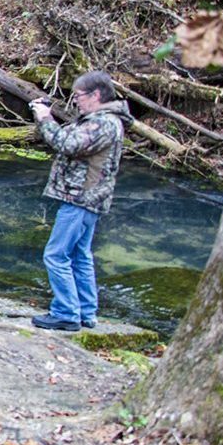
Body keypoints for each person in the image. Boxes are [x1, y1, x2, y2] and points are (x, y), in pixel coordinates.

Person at [28, 71, 134, 332]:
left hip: (80, 199)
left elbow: (67, 144)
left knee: (55, 255)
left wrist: (44, 118)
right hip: (89, 199)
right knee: (79, 255)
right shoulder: (104, 120)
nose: (76, 102)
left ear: (96, 95)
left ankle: (66, 313)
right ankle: (86, 312)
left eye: (79, 96)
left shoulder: (104, 123)